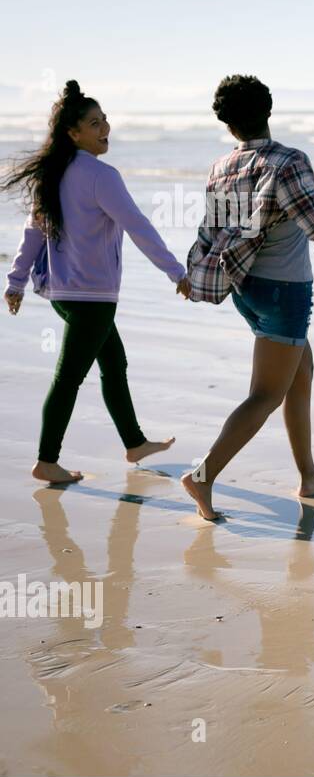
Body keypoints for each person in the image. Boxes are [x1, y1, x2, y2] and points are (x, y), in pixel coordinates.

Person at [181, 75, 314, 520]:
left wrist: (192, 274)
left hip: (246, 289)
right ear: (269, 108)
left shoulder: (222, 166)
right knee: (265, 394)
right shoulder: (288, 161)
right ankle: (202, 477)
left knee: (302, 371)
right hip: (284, 293)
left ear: (227, 123)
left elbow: (211, 231)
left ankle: (309, 475)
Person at [3, 80, 190, 484]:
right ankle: (46, 461)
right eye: (94, 123)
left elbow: (33, 232)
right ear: (73, 133)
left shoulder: (53, 175)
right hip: (93, 295)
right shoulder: (101, 176)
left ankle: (135, 443)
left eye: (105, 120)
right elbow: (137, 225)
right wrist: (175, 271)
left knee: (114, 363)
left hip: (64, 292)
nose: (105, 128)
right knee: (68, 377)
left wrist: (16, 282)